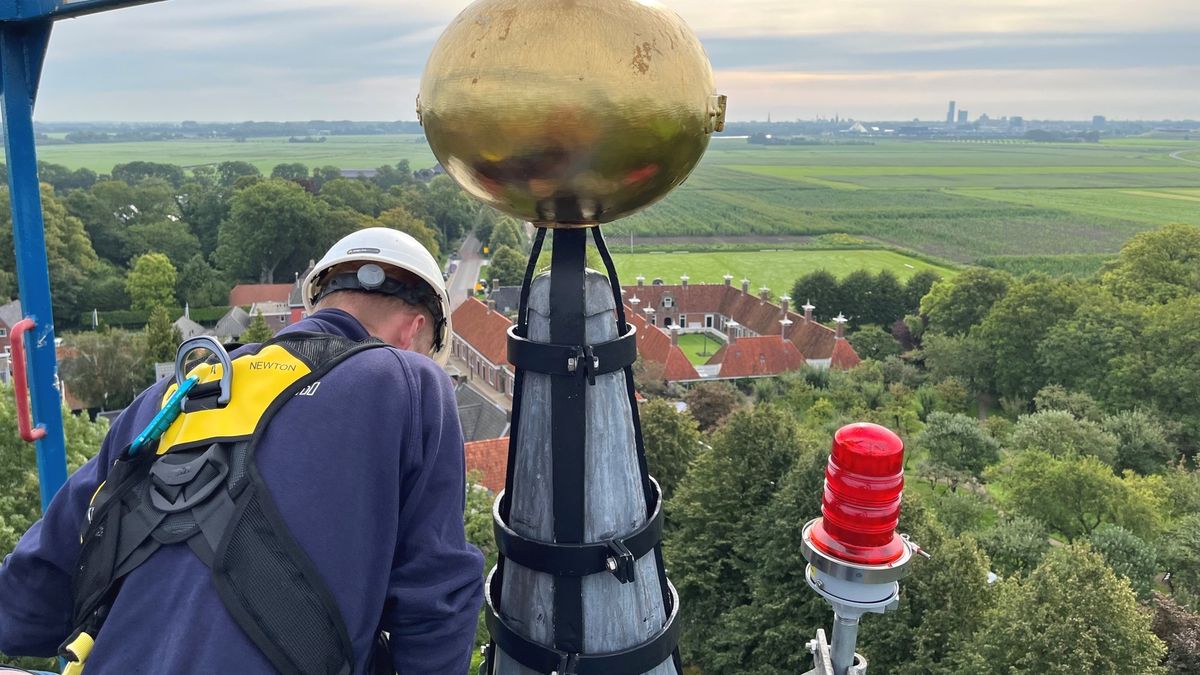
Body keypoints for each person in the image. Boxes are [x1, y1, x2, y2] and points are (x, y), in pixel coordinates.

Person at [0, 228, 484, 674]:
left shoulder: (180, 391)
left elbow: (32, 594)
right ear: (412, 331)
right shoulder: (408, 381)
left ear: (319, 303)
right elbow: (435, 598)